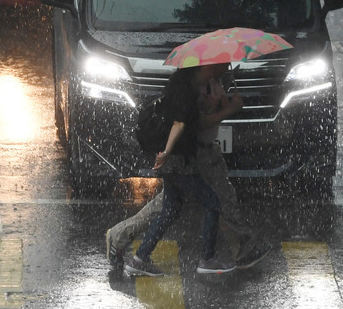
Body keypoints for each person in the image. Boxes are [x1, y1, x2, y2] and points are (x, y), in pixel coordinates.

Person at [108, 62, 273, 274]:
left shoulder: (210, 81)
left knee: (173, 207)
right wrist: (227, 109)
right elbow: (186, 123)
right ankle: (212, 258)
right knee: (213, 202)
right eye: (220, 64)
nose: (223, 66)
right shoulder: (187, 89)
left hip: (194, 154)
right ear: (205, 66)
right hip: (188, 156)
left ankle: (139, 256)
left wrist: (224, 101)